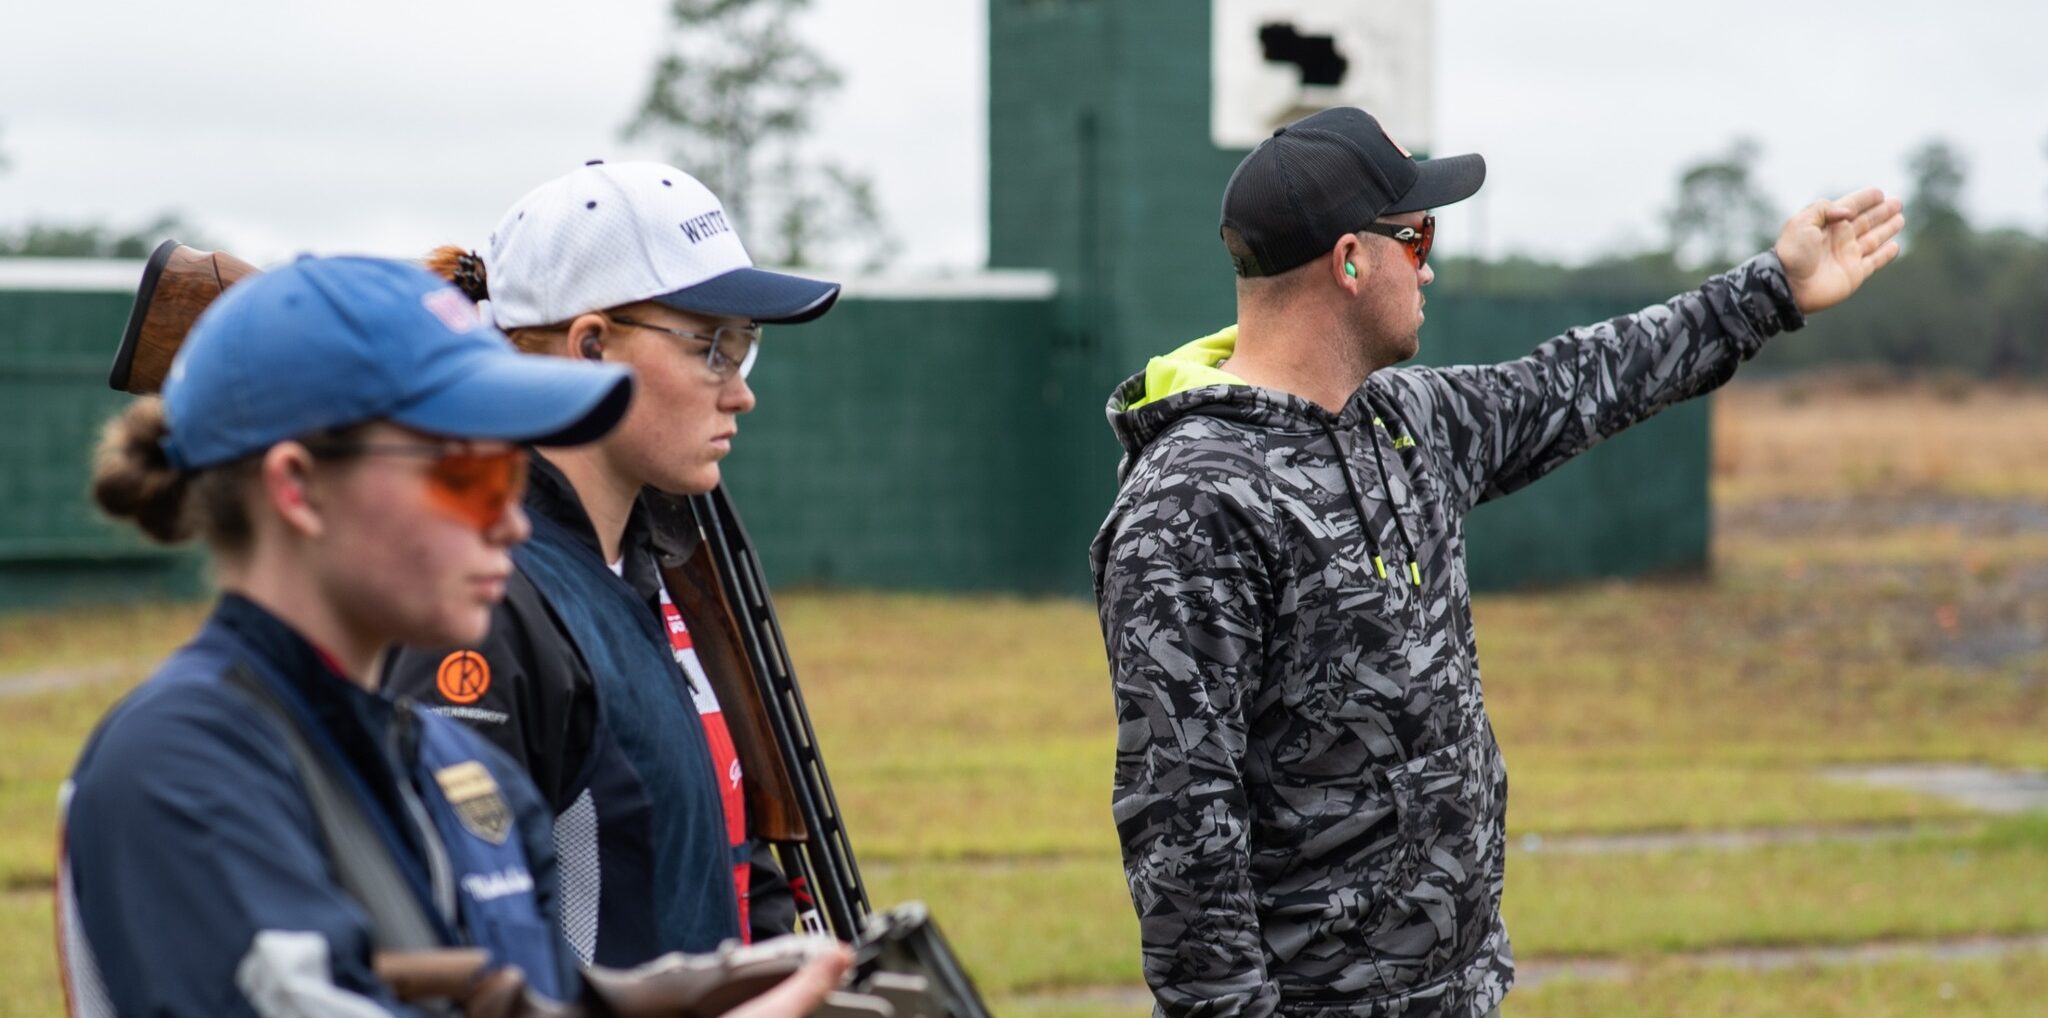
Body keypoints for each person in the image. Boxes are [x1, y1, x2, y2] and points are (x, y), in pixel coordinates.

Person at [1090, 106, 1904, 1018]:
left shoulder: (1407, 423)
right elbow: (1182, 830)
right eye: (1416, 234)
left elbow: (1585, 379)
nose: (1429, 262)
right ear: (1352, 262)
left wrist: (1773, 289)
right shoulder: (1194, 502)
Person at [55, 256, 849, 1016]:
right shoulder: (178, 765)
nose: (508, 520)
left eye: (509, 474)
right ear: (298, 490)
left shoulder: (461, 768)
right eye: (464, 476)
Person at [382, 161, 842, 966]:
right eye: (711, 347)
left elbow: (716, 861)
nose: (739, 392)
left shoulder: (646, 573)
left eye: (745, 348)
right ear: (592, 346)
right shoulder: (485, 601)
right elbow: (455, 946)